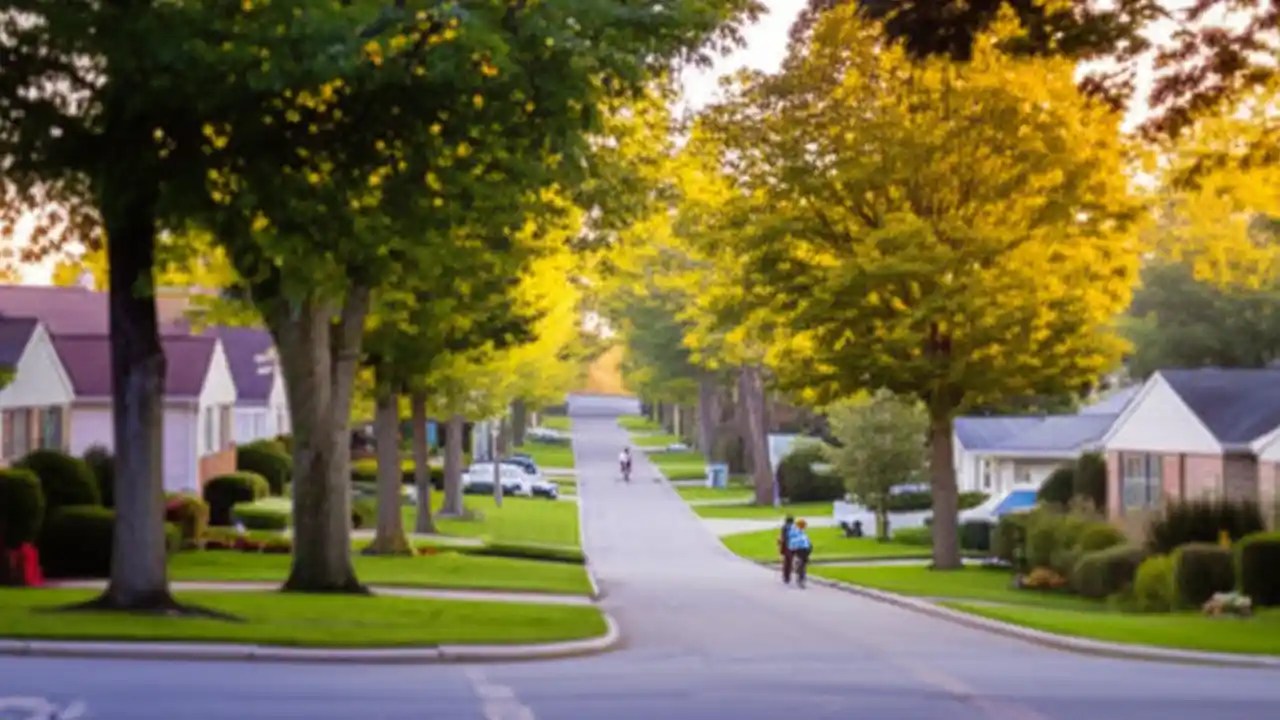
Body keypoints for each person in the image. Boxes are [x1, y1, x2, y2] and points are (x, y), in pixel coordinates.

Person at [787, 518, 814, 588]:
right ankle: (801, 578)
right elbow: (801, 540)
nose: (805, 527)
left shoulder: (796, 530)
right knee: (803, 564)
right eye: (804, 525)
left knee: (803, 563)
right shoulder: (796, 531)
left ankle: (799, 567)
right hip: (801, 548)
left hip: (800, 548)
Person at [778, 515, 795, 584]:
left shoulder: (784, 527)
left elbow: (783, 537)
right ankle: (787, 575)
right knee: (790, 561)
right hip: (792, 546)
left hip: (786, 546)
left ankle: (786, 576)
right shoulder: (794, 527)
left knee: (786, 561)